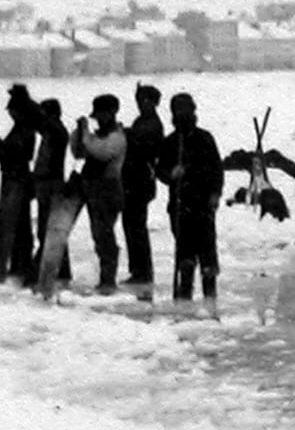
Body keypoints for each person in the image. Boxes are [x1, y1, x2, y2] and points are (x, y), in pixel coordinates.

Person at [163, 92, 225, 302]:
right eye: (178, 111)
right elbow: (160, 170)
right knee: (185, 255)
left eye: (186, 110)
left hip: (203, 205)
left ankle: (210, 296)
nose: (183, 115)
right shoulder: (170, 142)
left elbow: (217, 169)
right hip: (180, 206)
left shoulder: (204, 138)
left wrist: (215, 194)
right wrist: (172, 174)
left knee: (207, 253)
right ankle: (185, 296)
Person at [0, 86, 38, 284]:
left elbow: (7, 152)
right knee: (20, 225)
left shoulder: (24, 129)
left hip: (15, 179)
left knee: (11, 224)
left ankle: (13, 268)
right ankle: (20, 265)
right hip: (17, 178)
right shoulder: (24, 128)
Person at [71, 93, 130, 293]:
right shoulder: (98, 137)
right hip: (95, 190)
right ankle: (105, 276)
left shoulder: (117, 137)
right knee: (99, 234)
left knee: (105, 235)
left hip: (109, 189)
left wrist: (86, 135)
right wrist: (79, 134)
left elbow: (101, 152)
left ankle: (108, 278)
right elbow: (79, 152)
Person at [121, 84, 166, 299]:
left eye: (143, 100)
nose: (140, 104)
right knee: (132, 226)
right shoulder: (144, 122)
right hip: (134, 181)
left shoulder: (151, 124)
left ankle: (142, 271)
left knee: (136, 226)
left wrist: (126, 135)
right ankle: (138, 269)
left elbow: (140, 145)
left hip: (140, 182)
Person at [28, 96, 72, 289]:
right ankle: (60, 269)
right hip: (48, 184)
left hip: (51, 185)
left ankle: (47, 269)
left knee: (49, 228)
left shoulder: (56, 131)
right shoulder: (53, 131)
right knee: (51, 228)